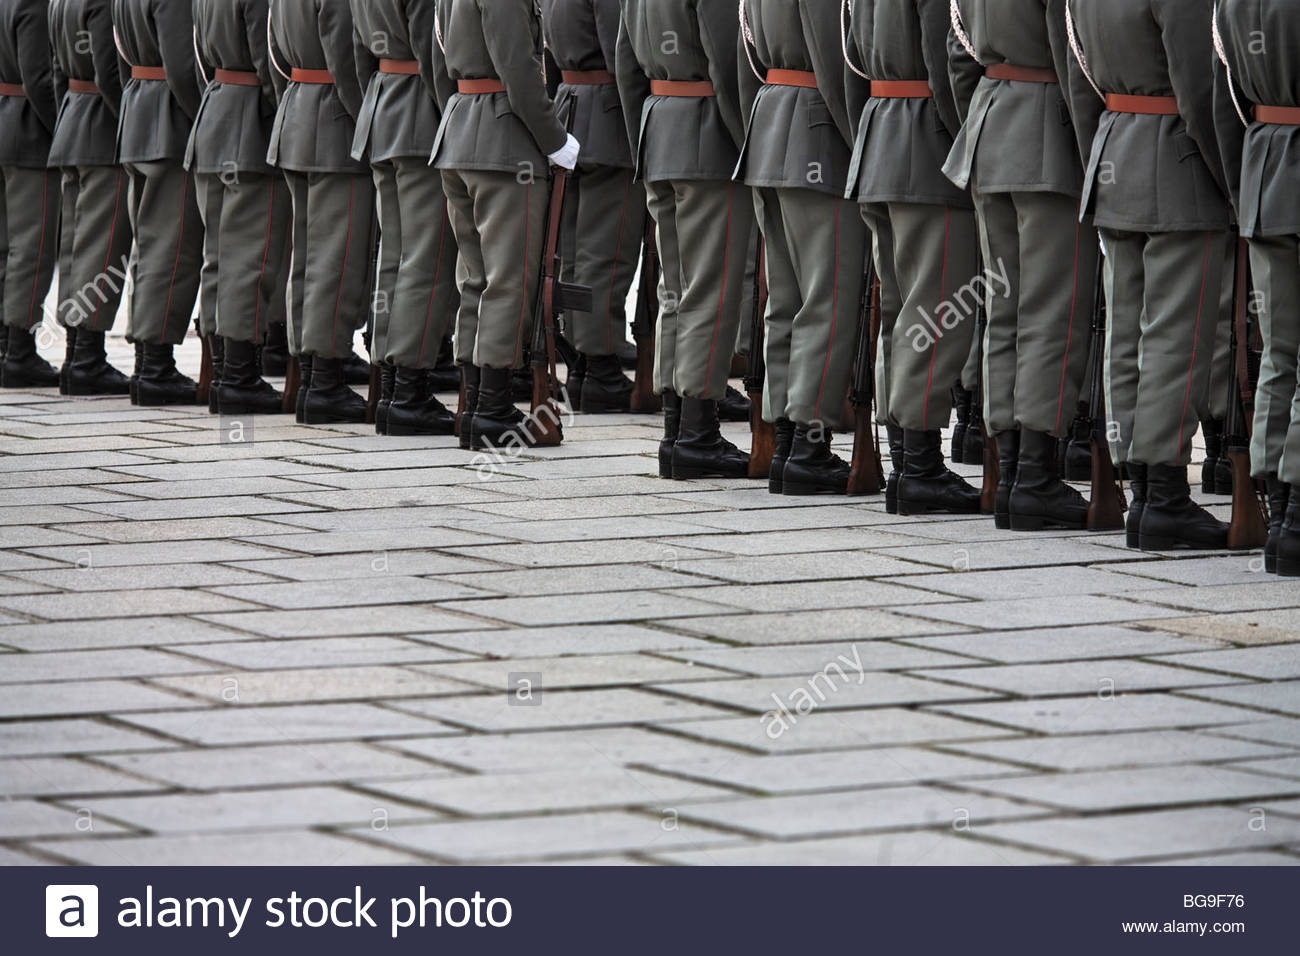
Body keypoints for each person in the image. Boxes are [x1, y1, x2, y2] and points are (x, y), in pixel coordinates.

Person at [1069, 0, 1234, 551]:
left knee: (1125, 331)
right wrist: (1230, 181)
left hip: (1114, 150)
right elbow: (1200, 89)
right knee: (1175, 337)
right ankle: (1163, 494)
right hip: (1179, 164)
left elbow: (1080, 77)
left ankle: (1141, 487)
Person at [946, 0, 1101, 530]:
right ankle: (1034, 477)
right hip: (1048, 137)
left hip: (989, 127)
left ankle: (1012, 472)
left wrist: (977, 125)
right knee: (1050, 314)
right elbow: (1074, 60)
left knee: (1004, 312)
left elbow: (958, 55)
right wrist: (1091, 153)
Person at [844, 0, 983, 515]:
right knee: (932, 315)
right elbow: (948, 63)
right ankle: (919, 466)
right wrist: (963, 145)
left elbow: (851, 61)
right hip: (928, 146)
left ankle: (906, 455)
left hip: (879, 133)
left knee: (899, 315)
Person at [616, 0, 755, 480]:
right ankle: (697, 434)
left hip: (659, 130)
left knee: (674, 290)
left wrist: (645, 136)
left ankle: (676, 430)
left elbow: (625, 63)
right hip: (708, 136)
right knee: (708, 293)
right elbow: (725, 60)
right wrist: (748, 144)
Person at [431, 0, 578, 450]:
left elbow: (437, 60)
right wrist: (555, 140)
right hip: (503, 140)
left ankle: (476, 403)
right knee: (507, 281)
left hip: (460, 127)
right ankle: (493, 409)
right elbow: (518, 68)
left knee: (475, 279)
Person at [737, 0, 869, 495]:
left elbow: (744, 61)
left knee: (787, 300)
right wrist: (863, 145)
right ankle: (809, 448)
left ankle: (788, 436)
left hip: (769, 124)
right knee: (825, 300)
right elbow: (837, 68)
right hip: (818, 135)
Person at [1213, 0, 1300, 573]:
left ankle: (1278, 511)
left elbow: (1225, 109)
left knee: (1280, 353)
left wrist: (1242, 188)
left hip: (1265, 170)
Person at [352, 0, 459, 436]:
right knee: (426, 261)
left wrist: (374, 100)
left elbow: (358, 54)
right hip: (420, 117)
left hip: (382, 106)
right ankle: (409, 391)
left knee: (394, 258)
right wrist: (454, 116)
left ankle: (392, 382)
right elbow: (432, 53)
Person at [268, 0, 377, 424]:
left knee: (308, 260)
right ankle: (325, 382)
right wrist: (364, 119)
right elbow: (346, 58)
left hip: (296, 114)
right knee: (335, 262)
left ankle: (312, 373)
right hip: (335, 127)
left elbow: (274, 54)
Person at [541, 0, 643, 415]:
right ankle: (599, 366)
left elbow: (547, 55)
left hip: (570, 108)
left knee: (577, 255)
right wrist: (641, 133)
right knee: (607, 256)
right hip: (610, 119)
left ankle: (582, 361)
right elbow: (623, 59)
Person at [189, 0, 290, 416]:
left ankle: (220, 372)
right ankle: (239, 376)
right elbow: (267, 61)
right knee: (249, 259)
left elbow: (196, 57)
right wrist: (280, 112)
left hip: (214, 113)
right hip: (250, 124)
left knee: (218, 258)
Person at [111, 0, 205, 406]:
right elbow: (184, 68)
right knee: (171, 249)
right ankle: (155, 367)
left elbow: (117, 60)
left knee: (148, 248)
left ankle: (146, 361)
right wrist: (202, 115)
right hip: (170, 123)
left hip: (138, 111)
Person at [47, 0, 132, 397]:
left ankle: (75, 354)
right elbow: (108, 71)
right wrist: (127, 121)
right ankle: (87, 360)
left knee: (76, 249)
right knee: (101, 250)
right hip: (102, 129)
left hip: (73, 120)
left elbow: (55, 74)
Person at [0, 0, 59, 389]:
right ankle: (18, 350)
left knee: (6, 246)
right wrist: (63, 125)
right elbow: (39, 78)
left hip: (5, 119)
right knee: (31, 249)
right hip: (29, 132)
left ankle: (6, 343)